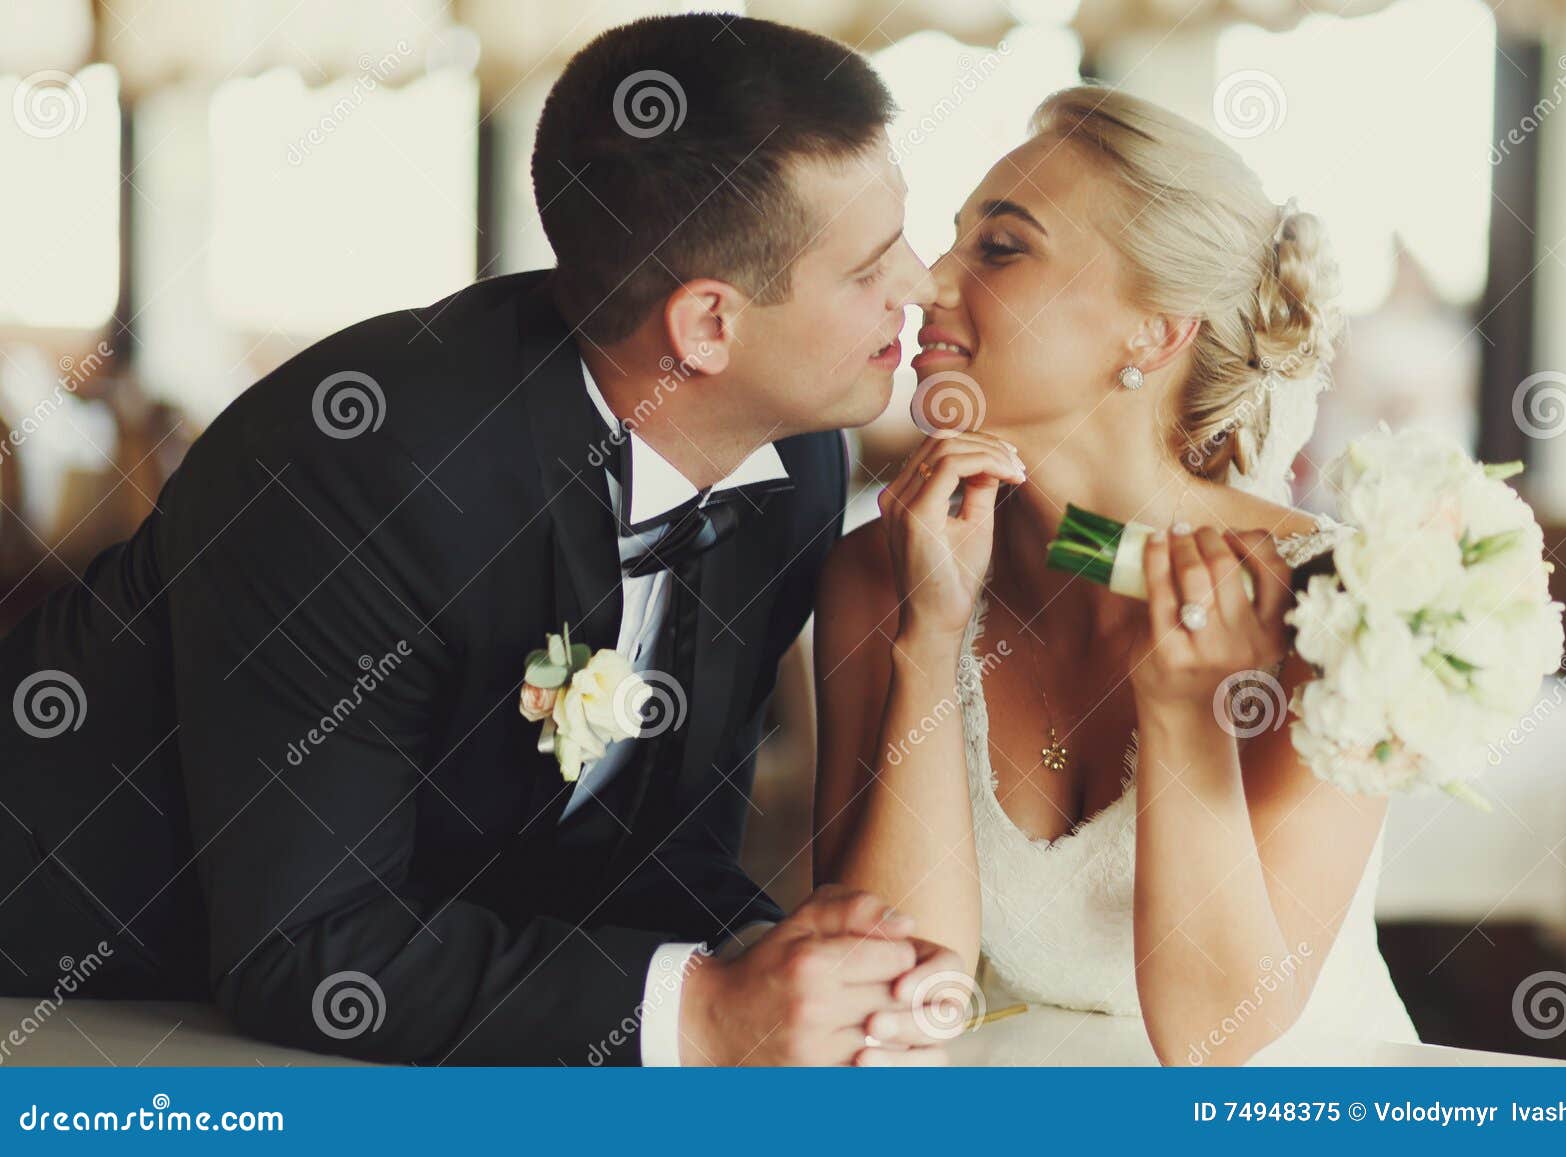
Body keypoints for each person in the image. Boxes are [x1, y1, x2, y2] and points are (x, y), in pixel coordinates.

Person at [0, 14, 958, 1067]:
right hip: (76, 972)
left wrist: (781, 962)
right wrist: (710, 1010)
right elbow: (308, 950)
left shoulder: (789, 454)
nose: (919, 284)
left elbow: (666, 850)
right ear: (706, 328)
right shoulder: (359, 471)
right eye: (870, 267)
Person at [814, 85, 1418, 1065]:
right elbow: (890, 994)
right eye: (951, 241)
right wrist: (927, 643)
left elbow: (1219, 1037)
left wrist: (1182, 707)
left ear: (1155, 331)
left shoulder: (1334, 604)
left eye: (1000, 248)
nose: (926, 281)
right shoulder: (878, 570)